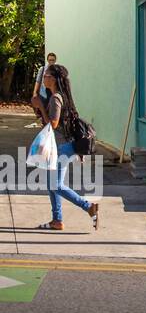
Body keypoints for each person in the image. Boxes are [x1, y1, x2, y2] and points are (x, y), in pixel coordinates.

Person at [33, 64, 99, 232]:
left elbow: (53, 124)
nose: (44, 79)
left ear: (53, 79)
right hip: (63, 146)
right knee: (52, 184)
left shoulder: (56, 98)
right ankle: (57, 220)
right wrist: (39, 107)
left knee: (55, 185)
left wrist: (40, 106)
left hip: (61, 148)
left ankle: (88, 207)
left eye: (46, 75)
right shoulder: (59, 96)